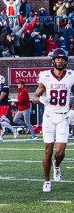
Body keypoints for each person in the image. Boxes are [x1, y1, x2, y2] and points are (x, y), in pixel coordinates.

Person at [32, 48, 74, 192]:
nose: (60, 61)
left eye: (62, 59)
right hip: (49, 117)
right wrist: (36, 97)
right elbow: (39, 90)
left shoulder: (71, 75)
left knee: (60, 152)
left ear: (65, 61)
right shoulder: (45, 76)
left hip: (64, 116)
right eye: (58, 59)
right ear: (53, 60)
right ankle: (47, 181)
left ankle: (57, 164)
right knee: (48, 150)